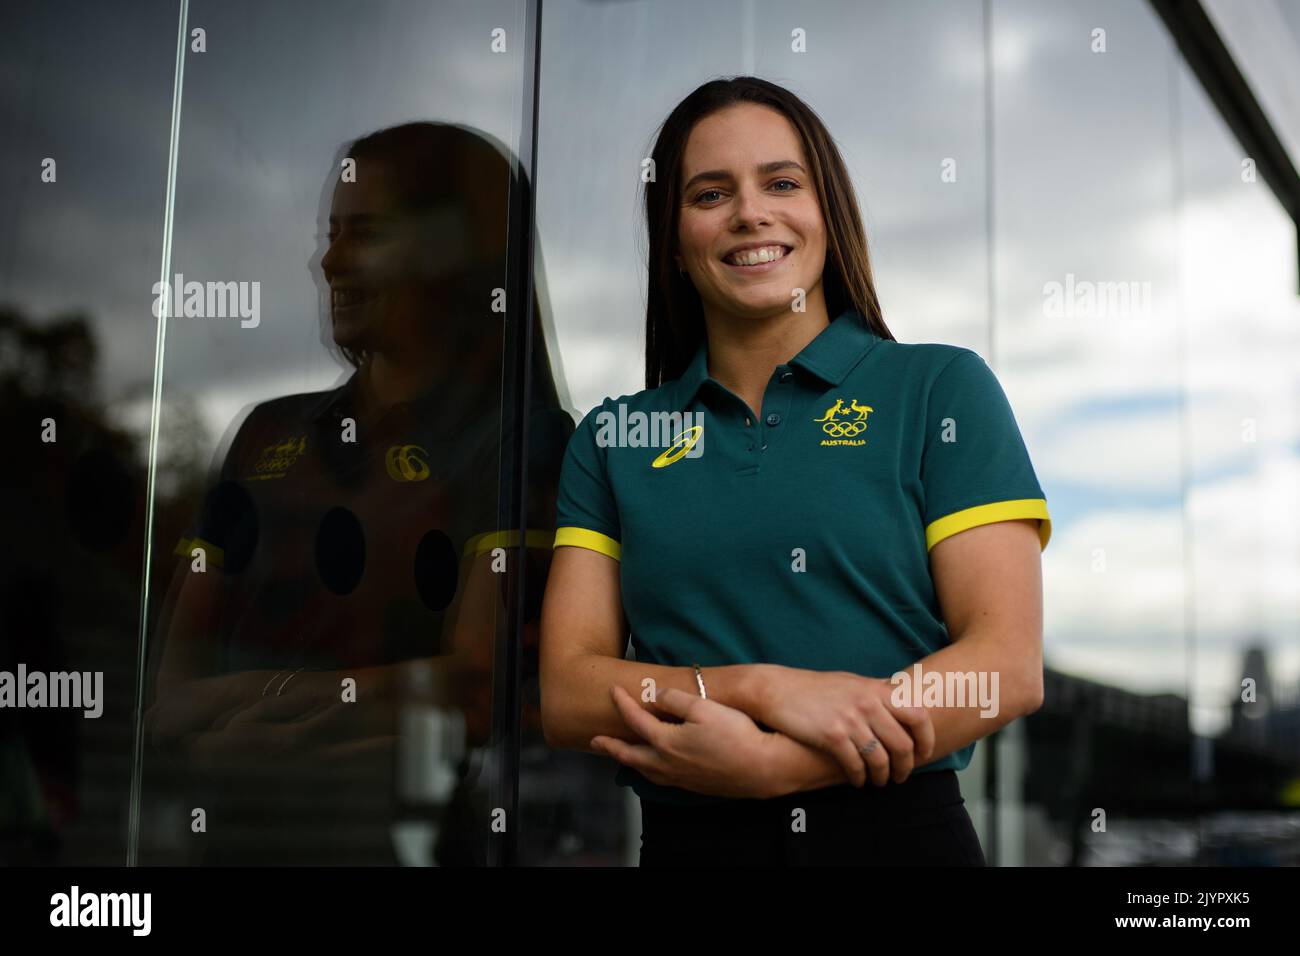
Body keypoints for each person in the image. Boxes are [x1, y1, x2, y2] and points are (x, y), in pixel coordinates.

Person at [539, 76, 1051, 866]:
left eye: (782, 183)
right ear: (673, 241)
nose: (751, 212)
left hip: (900, 842)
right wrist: (761, 689)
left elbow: (1003, 668)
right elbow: (568, 696)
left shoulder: (939, 389)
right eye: (711, 193)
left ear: (827, 215)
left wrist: (781, 767)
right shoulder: (616, 437)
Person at [143, 122, 572, 865]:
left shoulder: (521, 438)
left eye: (365, 233)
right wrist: (368, 698)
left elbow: (473, 687)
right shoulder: (264, 434)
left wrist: (249, 710)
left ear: (451, 252)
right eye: (330, 233)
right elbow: (168, 698)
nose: (329, 260)